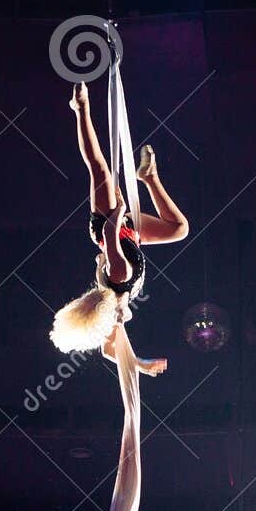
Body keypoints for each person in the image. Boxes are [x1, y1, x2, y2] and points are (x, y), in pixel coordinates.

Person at [50, 79, 190, 358]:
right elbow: (110, 353)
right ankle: (149, 178)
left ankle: (80, 108)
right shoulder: (126, 293)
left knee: (99, 170)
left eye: (115, 319)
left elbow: (111, 238)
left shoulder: (119, 277)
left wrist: (117, 211)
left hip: (108, 226)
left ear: (111, 308)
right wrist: (142, 365)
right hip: (131, 236)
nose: (121, 321)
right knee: (179, 229)